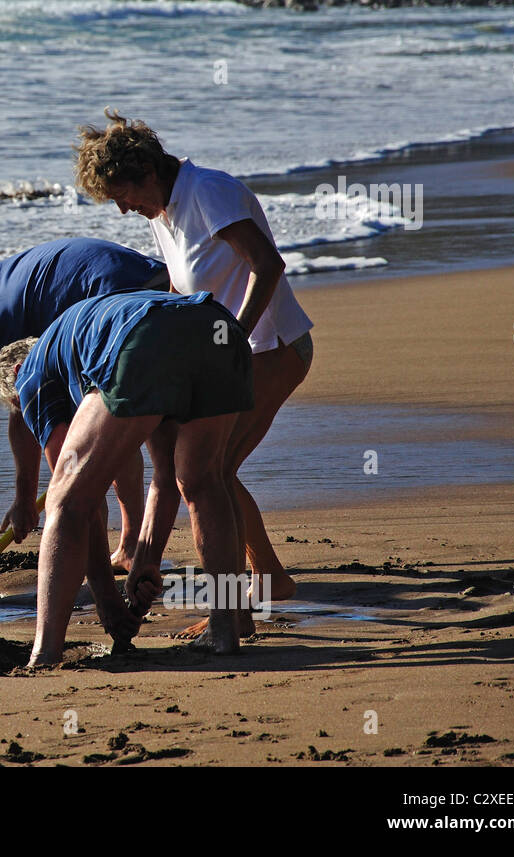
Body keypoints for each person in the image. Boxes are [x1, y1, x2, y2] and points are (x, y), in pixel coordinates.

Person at [73, 110, 314, 635]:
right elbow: (182, 295)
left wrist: (232, 339)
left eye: (122, 194)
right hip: (229, 359)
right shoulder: (165, 213)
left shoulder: (208, 192)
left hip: (272, 347)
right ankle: (265, 579)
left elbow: (268, 265)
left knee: (206, 476)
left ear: (145, 172)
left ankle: (239, 609)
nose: (121, 208)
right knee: (209, 474)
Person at [0, 290, 253, 665]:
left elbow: (80, 505)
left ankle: (45, 651)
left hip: (146, 337)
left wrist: (107, 601)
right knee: (201, 481)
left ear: (16, 375)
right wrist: (146, 556)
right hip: (218, 328)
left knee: (64, 500)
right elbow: (164, 479)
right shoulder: (82, 342)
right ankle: (224, 631)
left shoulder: (33, 373)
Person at [0, 237, 170, 571]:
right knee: (124, 422)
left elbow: (24, 403)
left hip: (117, 305)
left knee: (100, 433)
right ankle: (131, 544)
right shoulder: (20, 274)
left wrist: (24, 500)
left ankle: (106, 558)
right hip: (164, 288)